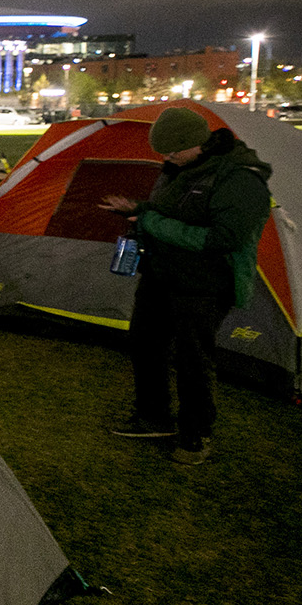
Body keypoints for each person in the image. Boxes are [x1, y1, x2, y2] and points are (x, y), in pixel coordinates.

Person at [100, 106, 274, 466]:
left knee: (193, 358)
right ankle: (153, 418)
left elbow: (223, 238)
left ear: (198, 142)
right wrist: (138, 208)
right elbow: (172, 210)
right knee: (145, 343)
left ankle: (196, 434)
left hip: (206, 283)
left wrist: (152, 222)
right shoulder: (180, 168)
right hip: (162, 275)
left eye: (173, 151)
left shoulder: (240, 179)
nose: (167, 158)